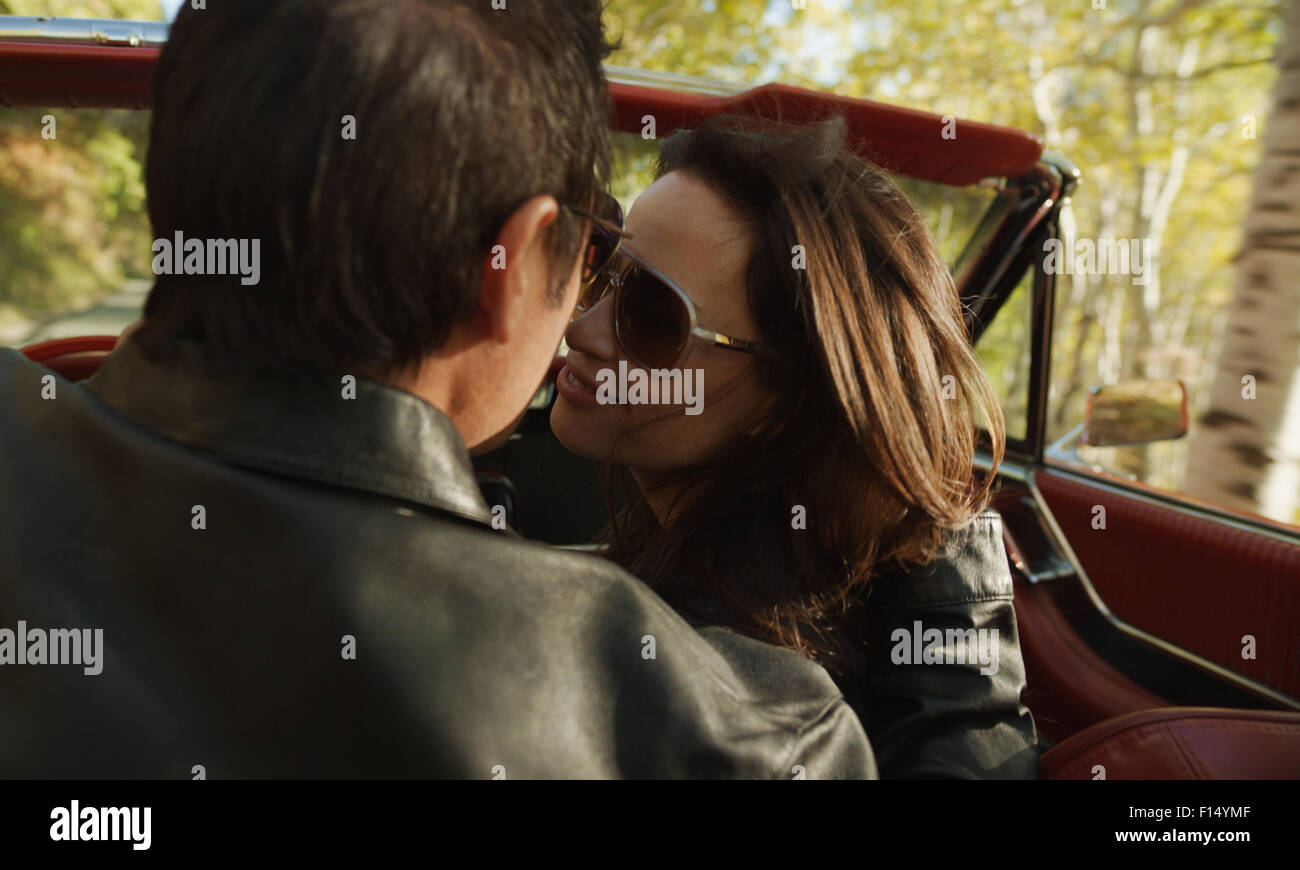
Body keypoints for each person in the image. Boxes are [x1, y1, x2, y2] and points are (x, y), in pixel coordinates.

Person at [0, 1, 874, 779]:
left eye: (646, 307)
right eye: (596, 252)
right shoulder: (739, 738)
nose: (582, 321)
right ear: (512, 264)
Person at [551, 115, 1041, 778]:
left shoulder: (715, 690)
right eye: (602, 267)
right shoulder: (847, 583)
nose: (582, 328)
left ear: (787, 402)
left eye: (652, 315)